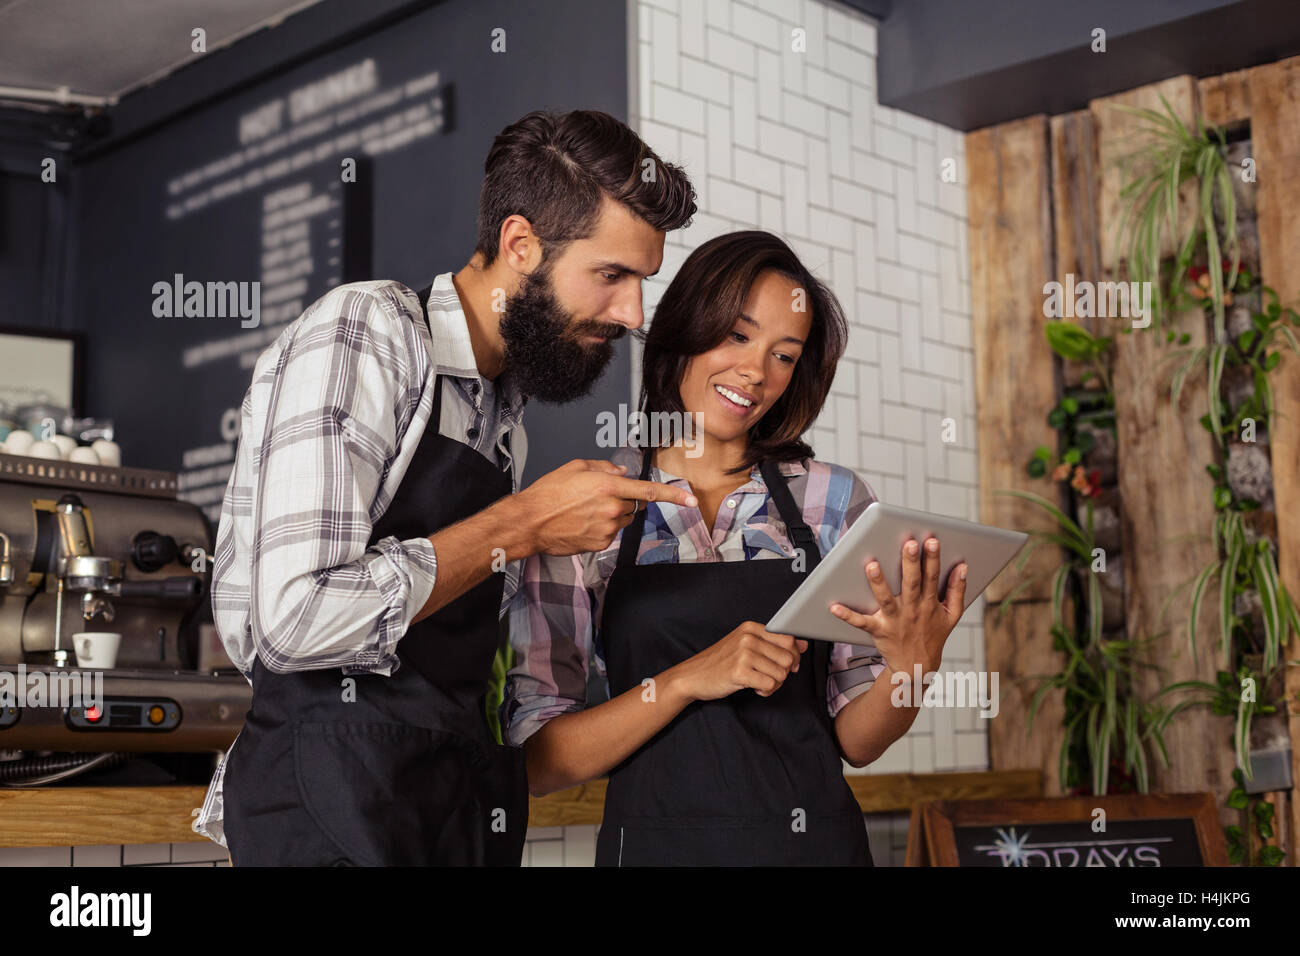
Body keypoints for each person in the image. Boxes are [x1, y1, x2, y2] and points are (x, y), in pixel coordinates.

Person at [192, 108, 699, 866]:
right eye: (612, 275)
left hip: (448, 796)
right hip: (332, 797)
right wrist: (525, 523)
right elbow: (294, 619)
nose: (631, 314)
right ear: (521, 245)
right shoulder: (369, 333)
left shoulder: (502, 414)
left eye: (642, 282)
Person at [503, 230, 970, 866]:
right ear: (685, 330)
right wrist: (686, 681)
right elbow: (540, 759)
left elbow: (858, 741)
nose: (756, 372)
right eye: (738, 335)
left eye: (785, 355)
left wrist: (915, 666)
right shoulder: (589, 507)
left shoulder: (831, 502)